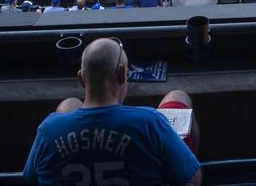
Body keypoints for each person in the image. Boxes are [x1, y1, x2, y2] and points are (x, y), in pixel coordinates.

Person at [23, 38, 201, 186]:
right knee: (177, 96)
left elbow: (30, 178)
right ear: (123, 73)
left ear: (81, 79)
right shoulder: (150, 122)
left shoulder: (48, 129)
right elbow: (193, 178)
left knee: (69, 104)